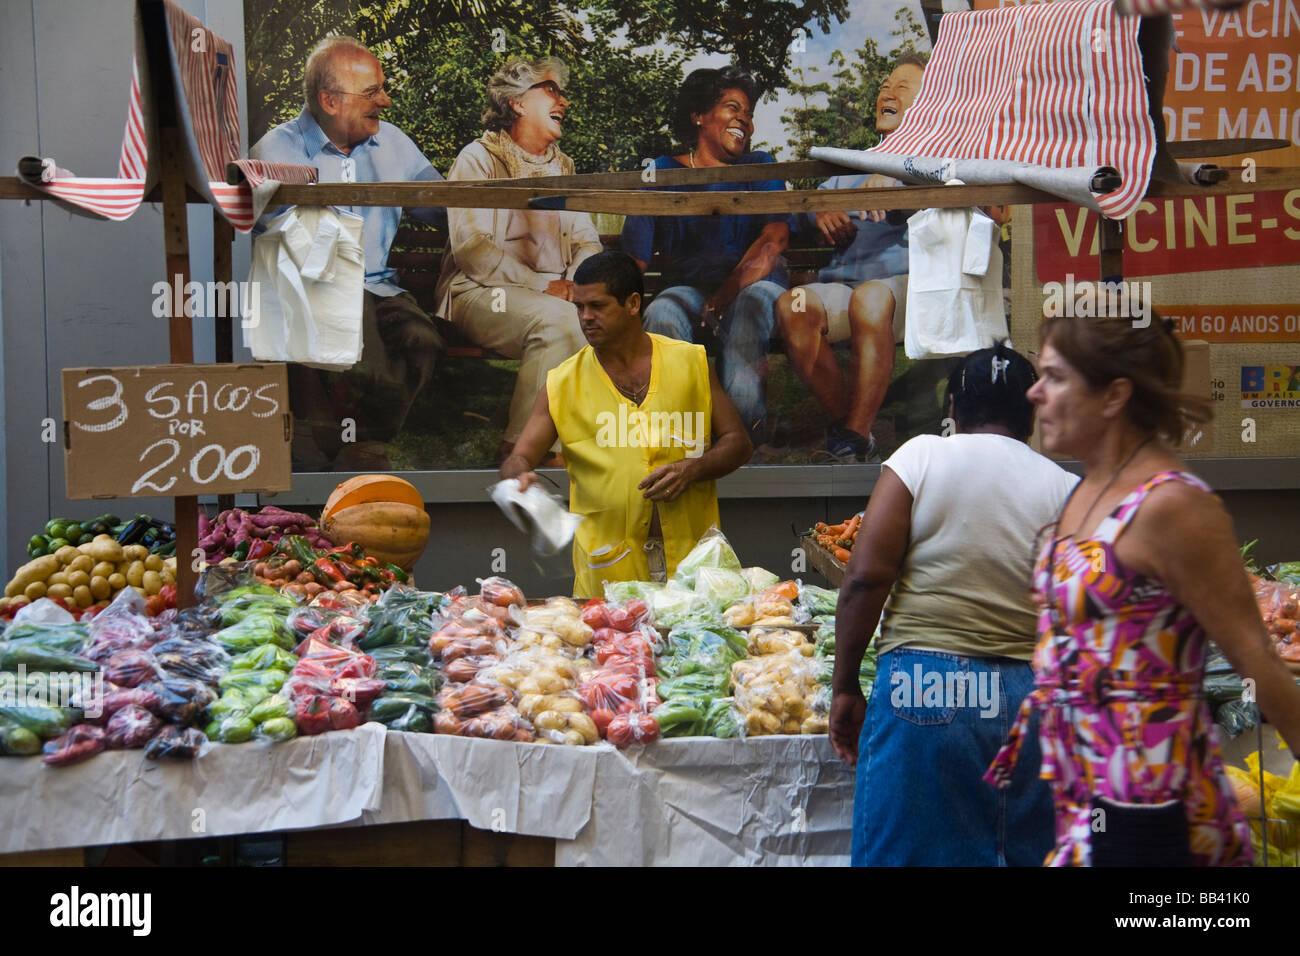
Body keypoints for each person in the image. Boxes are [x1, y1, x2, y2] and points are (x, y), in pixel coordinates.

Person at [985, 312, 1300, 867]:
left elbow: (1257, 659)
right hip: (1085, 793)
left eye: (1055, 377)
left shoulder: (1171, 505)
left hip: (1151, 801)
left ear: (1114, 396)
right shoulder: (1088, 489)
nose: (1033, 392)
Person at [830, 342, 1078, 866]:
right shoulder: (1067, 490)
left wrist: (846, 684)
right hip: (1030, 697)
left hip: (922, 685)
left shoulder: (920, 456)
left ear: (951, 411)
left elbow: (865, 579)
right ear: (1030, 415)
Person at [500, 252, 752, 598]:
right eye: (579, 307)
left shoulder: (691, 364)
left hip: (694, 568)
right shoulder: (561, 384)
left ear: (633, 303)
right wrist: (519, 476)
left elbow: (738, 442)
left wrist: (693, 469)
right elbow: (519, 458)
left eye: (598, 306)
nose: (586, 318)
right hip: (607, 576)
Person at [250, 35, 448, 470]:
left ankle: (364, 445)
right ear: (330, 100)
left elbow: (444, 208)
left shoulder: (393, 144)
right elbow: (284, 240)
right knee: (364, 357)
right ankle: (342, 453)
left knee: (423, 341)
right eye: (372, 91)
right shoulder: (276, 151)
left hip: (379, 288)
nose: (387, 100)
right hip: (313, 289)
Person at [436, 57, 601, 467]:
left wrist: (576, 285)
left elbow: (587, 243)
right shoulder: (478, 159)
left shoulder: (564, 167)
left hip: (553, 296)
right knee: (559, 321)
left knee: (586, 318)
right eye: (550, 89)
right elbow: (472, 248)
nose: (563, 100)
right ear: (518, 103)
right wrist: (541, 285)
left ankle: (560, 449)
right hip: (480, 291)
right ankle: (522, 449)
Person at [621, 66, 794, 454]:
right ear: (698, 114)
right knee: (663, 311)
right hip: (689, 290)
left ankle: (744, 445)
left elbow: (774, 239)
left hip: (753, 284)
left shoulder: (759, 167)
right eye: (733, 108)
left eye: (748, 114)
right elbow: (635, 258)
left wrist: (724, 295)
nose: (744, 121)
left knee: (748, 308)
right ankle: (683, 442)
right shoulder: (662, 173)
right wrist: (612, 304)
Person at [774, 56, 925, 462]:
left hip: (906, 288)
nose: (887, 93)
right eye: (885, 85)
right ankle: (855, 429)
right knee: (793, 304)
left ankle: (854, 434)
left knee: (870, 299)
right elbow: (801, 211)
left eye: (903, 87)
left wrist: (900, 179)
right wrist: (820, 212)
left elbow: (966, 205)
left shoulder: (934, 161)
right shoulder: (852, 165)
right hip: (847, 288)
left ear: (928, 103)